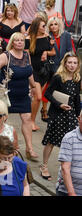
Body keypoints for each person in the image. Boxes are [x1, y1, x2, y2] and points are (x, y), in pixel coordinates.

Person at [0, 32, 38, 161]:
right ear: (12, 42)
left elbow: (29, 72)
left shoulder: (27, 55)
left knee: (27, 118)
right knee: (2, 120)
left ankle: (29, 148)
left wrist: (33, 86)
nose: (19, 42)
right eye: (16, 40)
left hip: (23, 94)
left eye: (21, 40)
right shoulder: (5, 56)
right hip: (7, 94)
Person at [41, 52, 81, 180]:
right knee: (51, 141)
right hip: (57, 114)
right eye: (69, 62)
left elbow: (76, 99)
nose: (72, 65)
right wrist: (59, 105)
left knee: (72, 142)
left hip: (71, 116)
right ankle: (44, 166)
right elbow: (47, 94)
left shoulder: (77, 79)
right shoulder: (58, 77)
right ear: (64, 63)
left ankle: (67, 169)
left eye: (75, 63)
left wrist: (78, 115)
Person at [41, 17, 75, 121]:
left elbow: (70, 50)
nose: (53, 26)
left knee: (63, 89)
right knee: (48, 88)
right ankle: (45, 110)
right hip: (51, 66)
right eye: (51, 24)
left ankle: (61, 109)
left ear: (59, 25)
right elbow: (44, 50)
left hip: (64, 66)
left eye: (55, 24)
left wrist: (68, 63)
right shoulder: (47, 36)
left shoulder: (66, 35)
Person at [25, 17, 56, 131]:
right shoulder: (28, 39)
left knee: (36, 98)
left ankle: (31, 119)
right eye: (43, 26)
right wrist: (29, 72)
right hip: (33, 70)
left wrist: (46, 52)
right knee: (38, 97)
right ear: (37, 26)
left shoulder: (47, 37)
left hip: (44, 71)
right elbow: (26, 57)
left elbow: (53, 52)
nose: (45, 28)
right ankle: (31, 121)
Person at [56, 111, 82, 196]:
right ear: (79, 119)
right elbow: (65, 168)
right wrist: (71, 193)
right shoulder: (69, 138)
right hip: (68, 191)